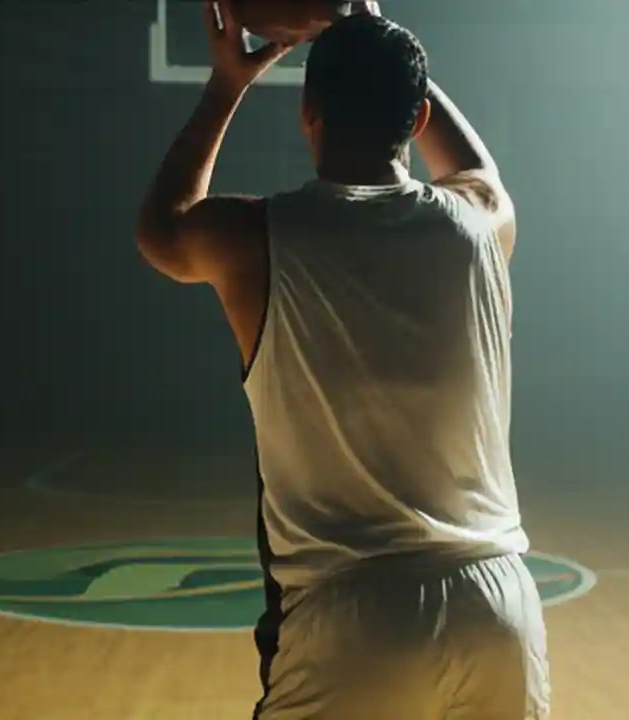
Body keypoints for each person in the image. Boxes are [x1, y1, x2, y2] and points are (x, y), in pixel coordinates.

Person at [135, 2, 549, 718]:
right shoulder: (481, 222)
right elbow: (475, 166)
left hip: (352, 612)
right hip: (499, 604)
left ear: (308, 112)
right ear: (417, 119)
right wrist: (362, 21)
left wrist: (225, 85)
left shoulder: (256, 238)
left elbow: (161, 227)